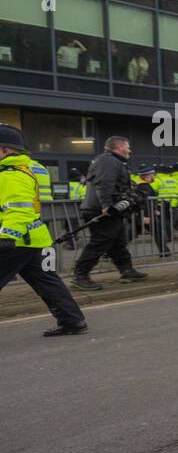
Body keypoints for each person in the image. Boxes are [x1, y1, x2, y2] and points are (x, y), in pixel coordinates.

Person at [0, 123, 87, 336]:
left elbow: (19, 210)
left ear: (5, 150)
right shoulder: (29, 167)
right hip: (34, 238)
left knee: (48, 282)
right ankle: (72, 321)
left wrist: (5, 238)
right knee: (48, 283)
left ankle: (72, 321)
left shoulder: (11, 173)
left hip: (16, 240)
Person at [72, 135, 148, 290]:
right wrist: (106, 205)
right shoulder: (108, 161)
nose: (130, 150)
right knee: (101, 242)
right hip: (101, 210)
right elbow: (104, 183)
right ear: (119, 147)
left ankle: (127, 270)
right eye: (127, 147)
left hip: (110, 209)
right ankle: (80, 274)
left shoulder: (112, 161)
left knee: (118, 241)